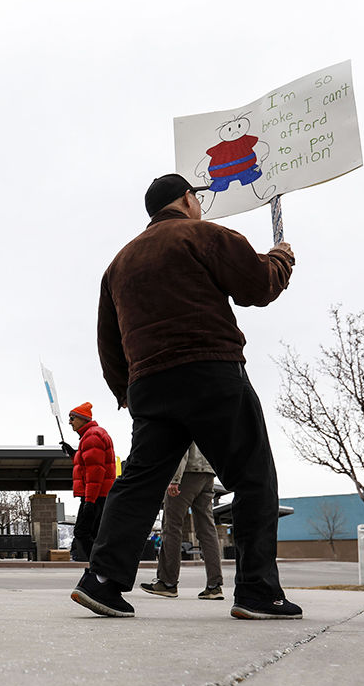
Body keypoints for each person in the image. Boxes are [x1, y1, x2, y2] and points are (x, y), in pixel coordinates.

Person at [71, 173, 301, 620]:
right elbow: (256, 285)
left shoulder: (118, 264)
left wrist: (128, 391)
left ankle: (102, 581)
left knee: (138, 482)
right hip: (210, 369)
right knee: (254, 479)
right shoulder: (202, 235)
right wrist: (280, 260)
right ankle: (257, 591)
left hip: (150, 385)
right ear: (187, 200)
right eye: (198, 197)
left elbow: (107, 341)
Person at [140, 442, 225, 600]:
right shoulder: (212, 417)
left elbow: (181, 445)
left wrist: (175, 478)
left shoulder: (186, 416)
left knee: (172, 526)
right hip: (208, 473)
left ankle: (168, 582)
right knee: (207, 529)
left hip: (187, 471)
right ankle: (215, 586)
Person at [59, 402, 116, 561]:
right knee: (95, 533)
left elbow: (95, 472)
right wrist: (73, 453)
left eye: (72, 418)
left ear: (83, 419)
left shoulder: (91, 436)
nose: (70, 422)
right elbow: (88, 465)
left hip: (95, 495)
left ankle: (99, 567)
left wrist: (89, 502)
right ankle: (100, 568)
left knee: (82, 532)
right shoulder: (92, 435)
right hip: (100, 494)